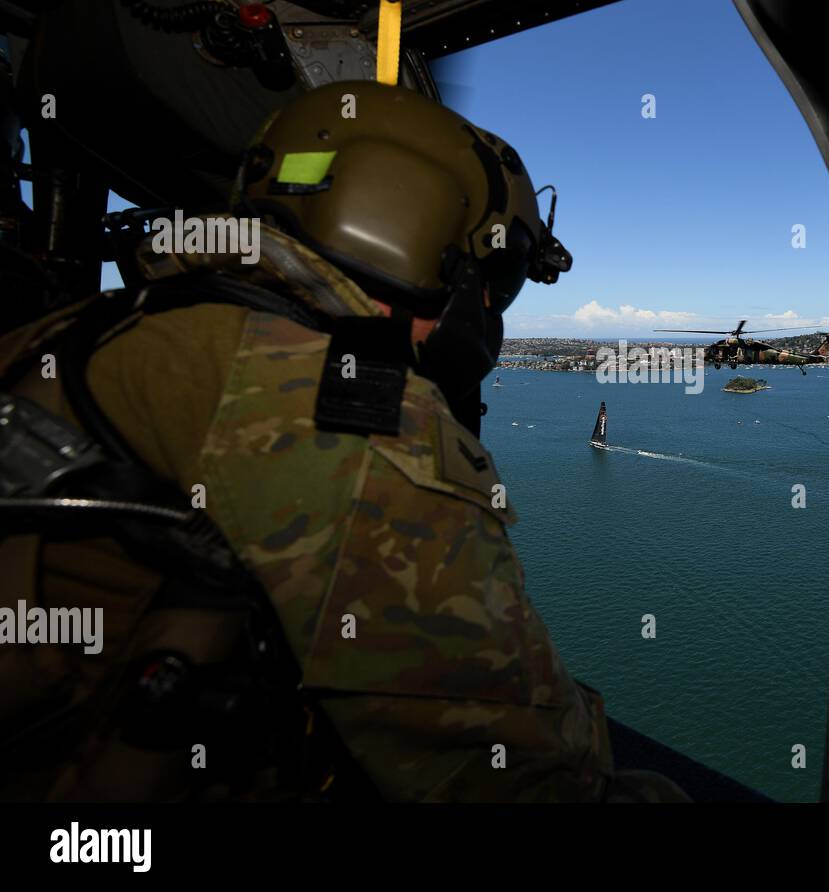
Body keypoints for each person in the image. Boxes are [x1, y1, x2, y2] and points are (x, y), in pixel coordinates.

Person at [0, 80, 660, 801]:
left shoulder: (73, 330)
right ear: (407, 226)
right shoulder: (343, 413)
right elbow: (522, 773)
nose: (488, 310)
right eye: (494, 278)